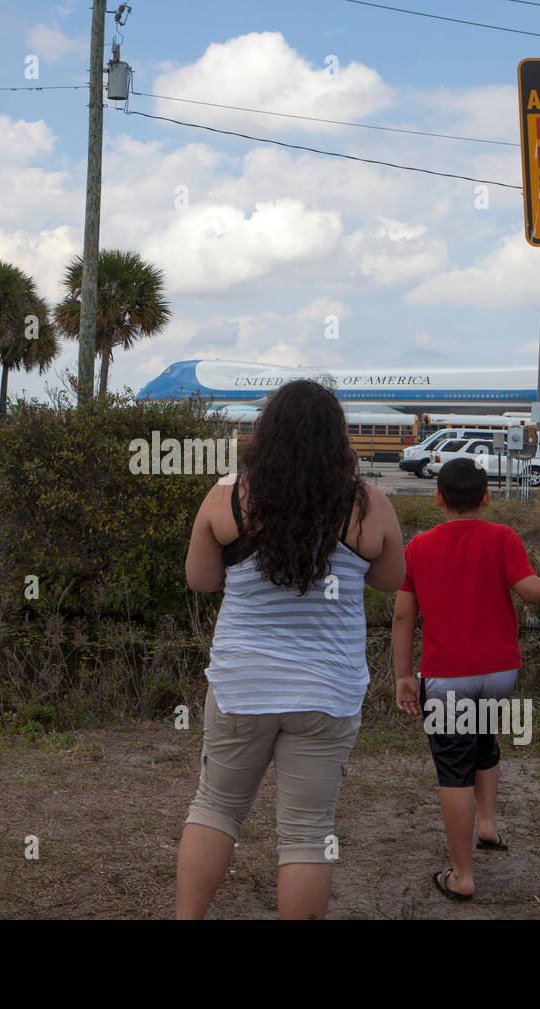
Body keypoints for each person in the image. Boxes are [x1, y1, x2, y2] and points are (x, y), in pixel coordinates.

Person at [176, 379, 406, 919]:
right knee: (307, 833)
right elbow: (391, 577)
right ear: (337, 439)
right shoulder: (367, 503)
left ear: (267, 432)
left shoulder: (228, 494)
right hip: (327, 691)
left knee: (215, 809)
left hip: (241, 686)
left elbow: (200, 579)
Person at [391, 457, 540, 901]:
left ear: (437, 497)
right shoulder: (503, 537)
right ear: (487, 498)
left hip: (447, 678)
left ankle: (462, 875)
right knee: (485, 742)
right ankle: (488, 826)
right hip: (500, 673)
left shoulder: (417, 548)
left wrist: (405, 676)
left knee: (453, 770)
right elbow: (533, 592)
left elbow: (404, 615)